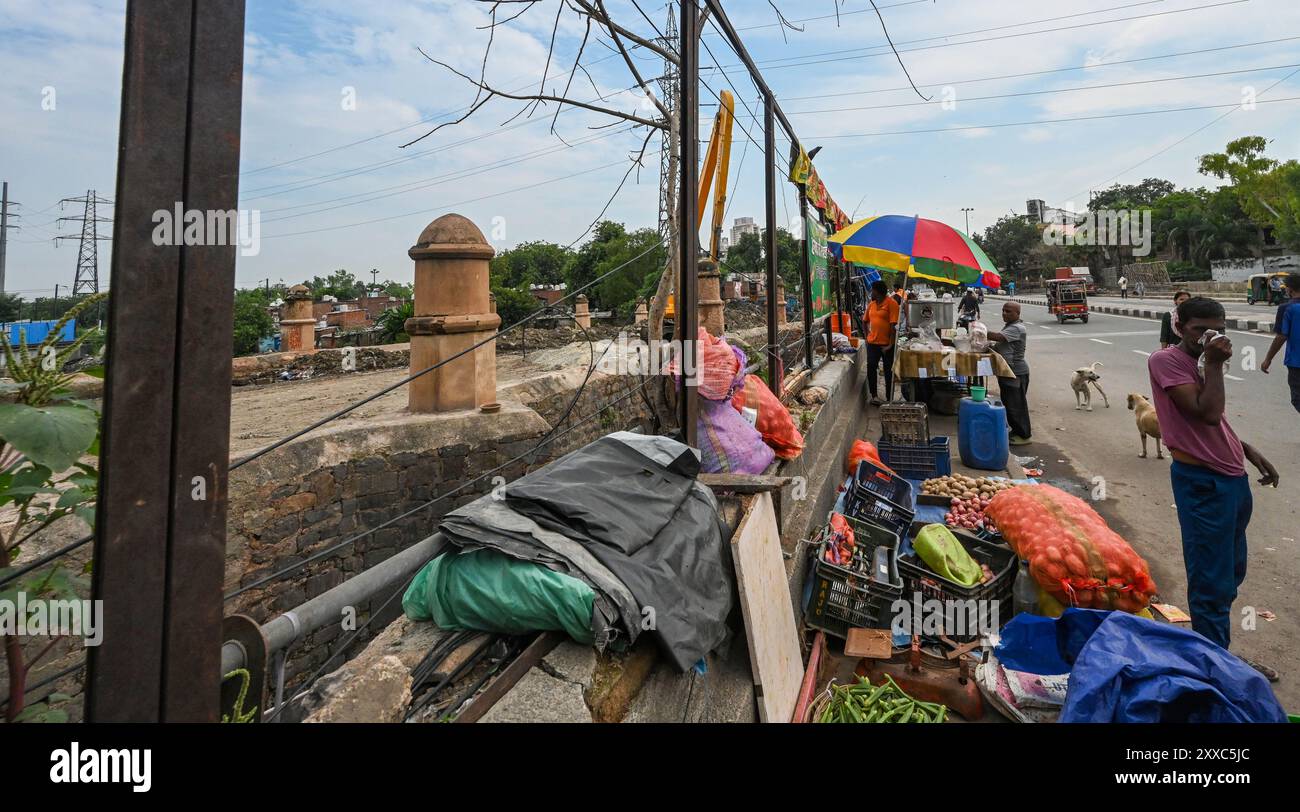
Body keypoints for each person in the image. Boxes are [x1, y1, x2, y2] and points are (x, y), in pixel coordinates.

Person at [1148, 296, 1279, 680]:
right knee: (1210, 580)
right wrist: (1215, 362)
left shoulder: (1201, 362)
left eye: (1217, 330)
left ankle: (1216, 653)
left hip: (1231, 481)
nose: (1209, 337)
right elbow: (1207, 413)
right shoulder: (1167, 360)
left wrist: (1246, 450)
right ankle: (1213, 668)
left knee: (1230, 572)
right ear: (1179, 328)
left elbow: (1215, 426)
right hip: (1203, 484)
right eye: (1199, 330)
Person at [986, 301, 1032, 445]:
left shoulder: (1017, 328)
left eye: (1009, 311)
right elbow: (1001, 345)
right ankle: (1016, 431)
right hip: (1007, 371)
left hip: (1016, 373)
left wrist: (979, 330)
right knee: (1009, 403)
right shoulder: (1010, 326)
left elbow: (998, 337)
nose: (1004, 313)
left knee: (1016, 405)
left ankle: (1024, 436)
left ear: (1017, 314)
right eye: (1003, 310)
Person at [1261, 272, 1300, 414]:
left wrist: (1267, 359)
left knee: (1298, 399)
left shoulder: (1287, 308)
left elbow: (1281, 337)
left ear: (1289, 289)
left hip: (1297, 363)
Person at [865, 280, 900, 405]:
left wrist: (890, 344)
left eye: (872, 290)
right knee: (871, 368)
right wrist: (866, 337)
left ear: (877, 291)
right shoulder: (871, 305)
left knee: (888, 371)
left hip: (887, 345)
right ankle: (874, 396)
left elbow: (893, 326)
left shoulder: (892, 303)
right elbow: (865, 321)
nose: (871, 293)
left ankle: (888, 398)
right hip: (872, 344)